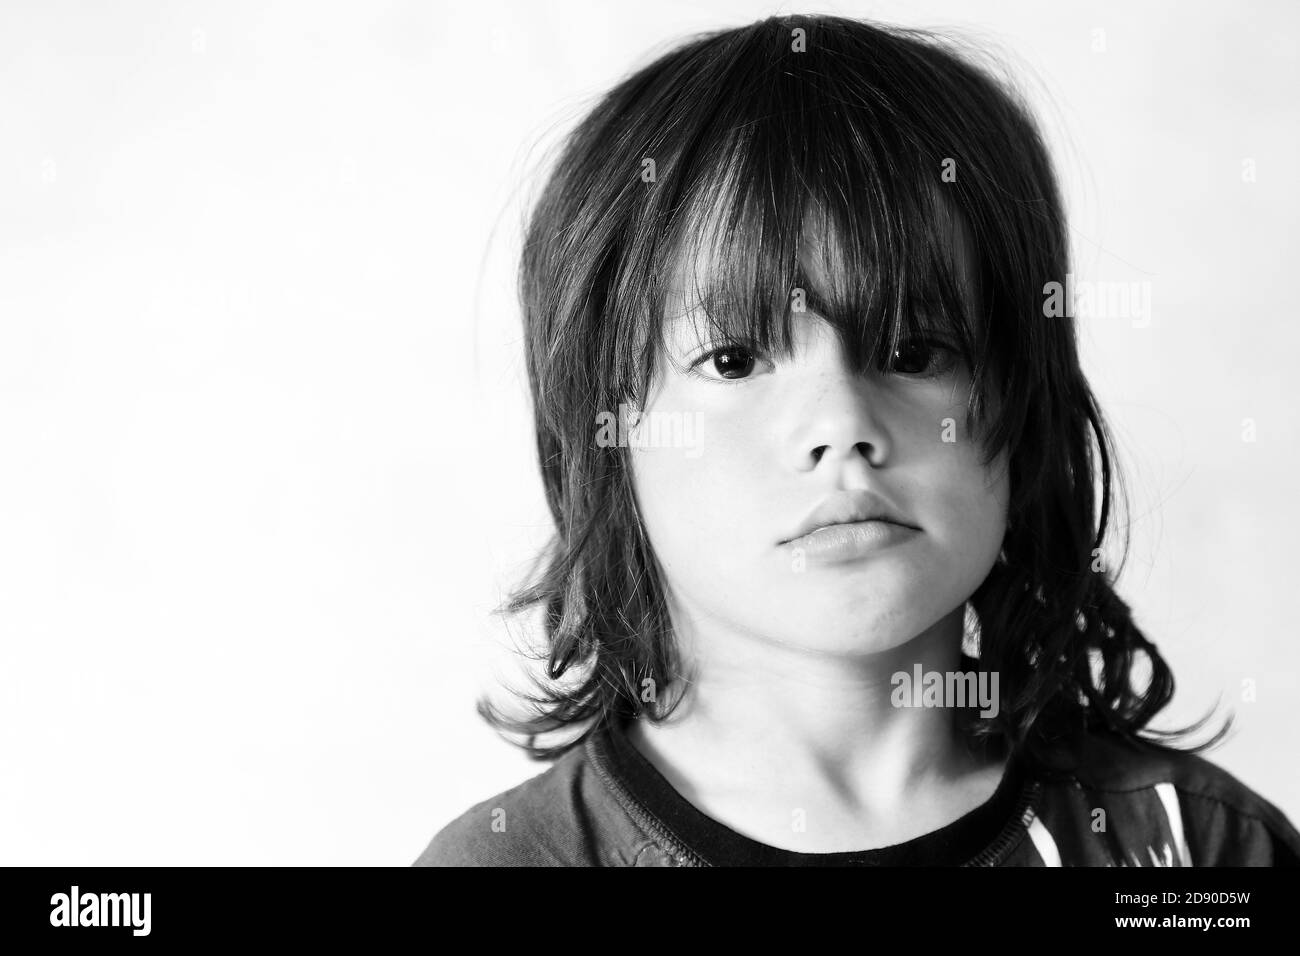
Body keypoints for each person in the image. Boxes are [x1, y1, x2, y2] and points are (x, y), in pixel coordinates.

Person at [414, 13, 1300, 866]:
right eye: (732, 359)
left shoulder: (1196, 852)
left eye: (914, 351)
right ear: (607, 438)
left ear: (1025, 408)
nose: (843, 425)